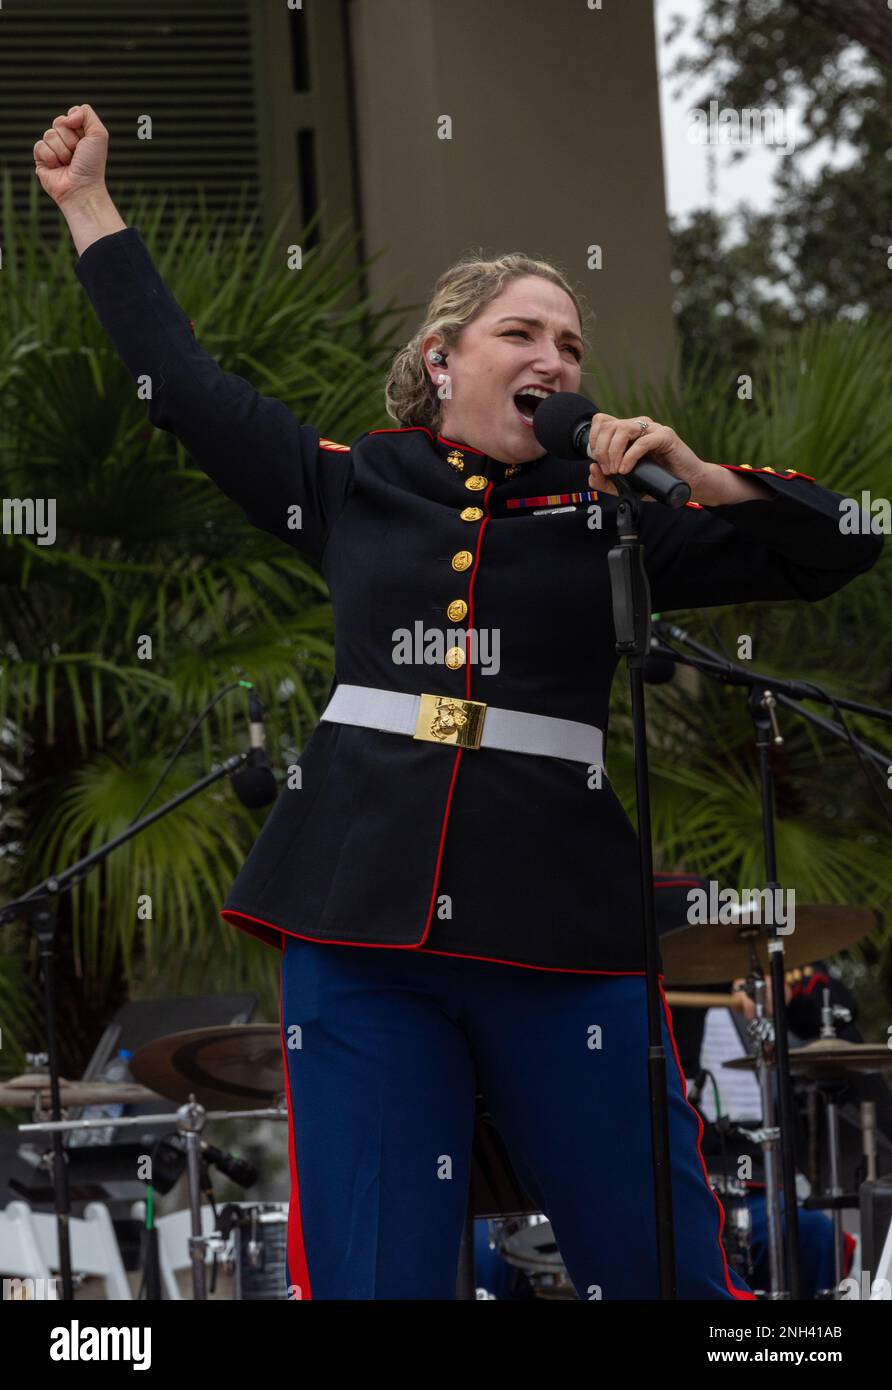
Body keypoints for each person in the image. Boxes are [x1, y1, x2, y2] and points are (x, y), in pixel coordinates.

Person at [36, 104, 884, 1301]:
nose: (555, 361)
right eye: (521, 333)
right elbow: (179, 383)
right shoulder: (352, 487)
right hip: (361, 920)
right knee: (380, 1271)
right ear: (443, 357)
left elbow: (841, 542)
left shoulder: (617, 518)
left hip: (560, 928)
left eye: (574, 346)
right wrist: (88, 205)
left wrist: (693, 477)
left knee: (664, 1270)